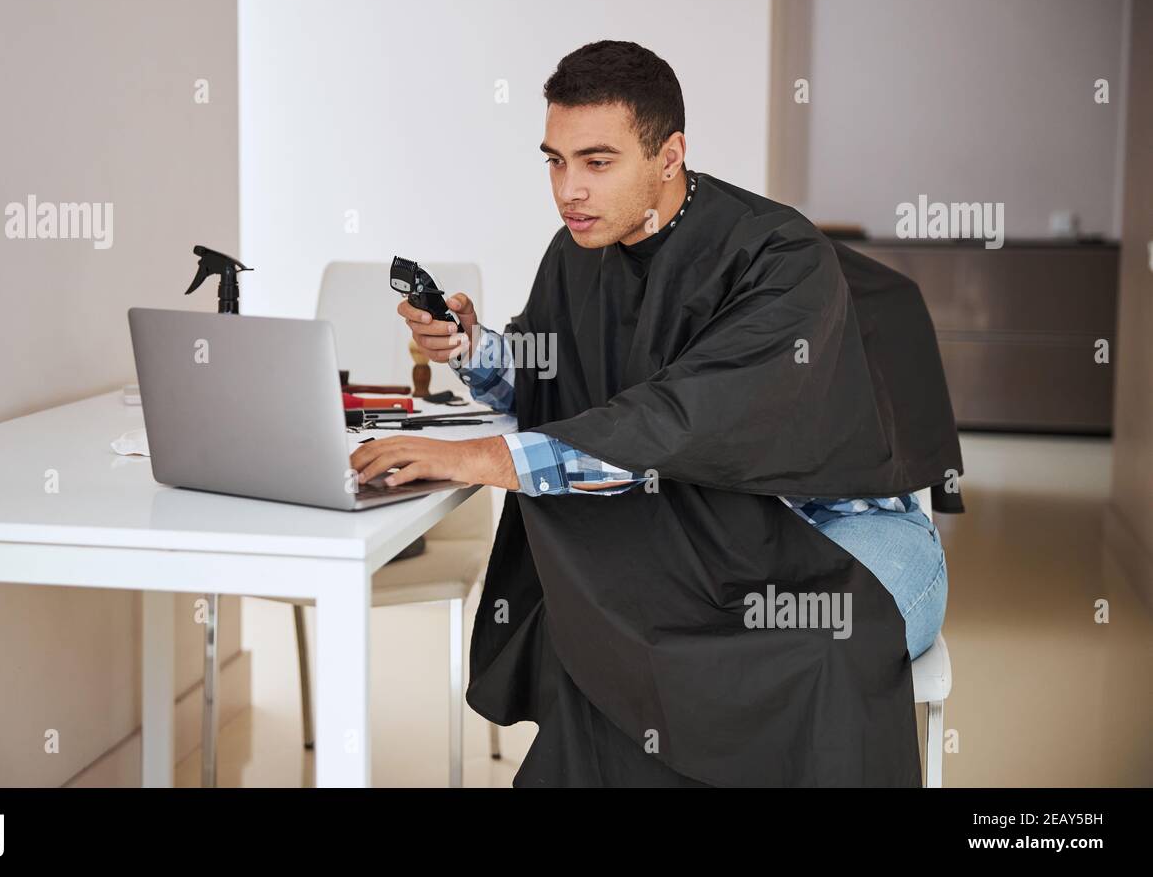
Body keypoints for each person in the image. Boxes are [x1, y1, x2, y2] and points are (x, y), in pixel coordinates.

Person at [349, 40, 963, 786]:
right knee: (607, 643)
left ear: (669, 155)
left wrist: (483, 459)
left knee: (802, 650)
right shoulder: (579, 249)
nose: (568, 190)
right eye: (555, 160)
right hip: (701, 532)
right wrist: (470, 345)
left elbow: (680, 418)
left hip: (843, 530)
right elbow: (553, 388)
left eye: (597, 162)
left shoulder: (779, 256)